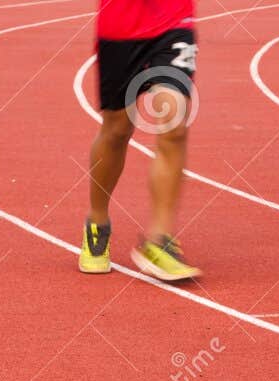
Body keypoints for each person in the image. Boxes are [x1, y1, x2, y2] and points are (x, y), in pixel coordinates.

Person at [78, 0, 200, 281]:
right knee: (117, 130)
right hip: (120, 27)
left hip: (174, 22)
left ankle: (159, 240)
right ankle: (97, 222)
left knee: (175, 125)